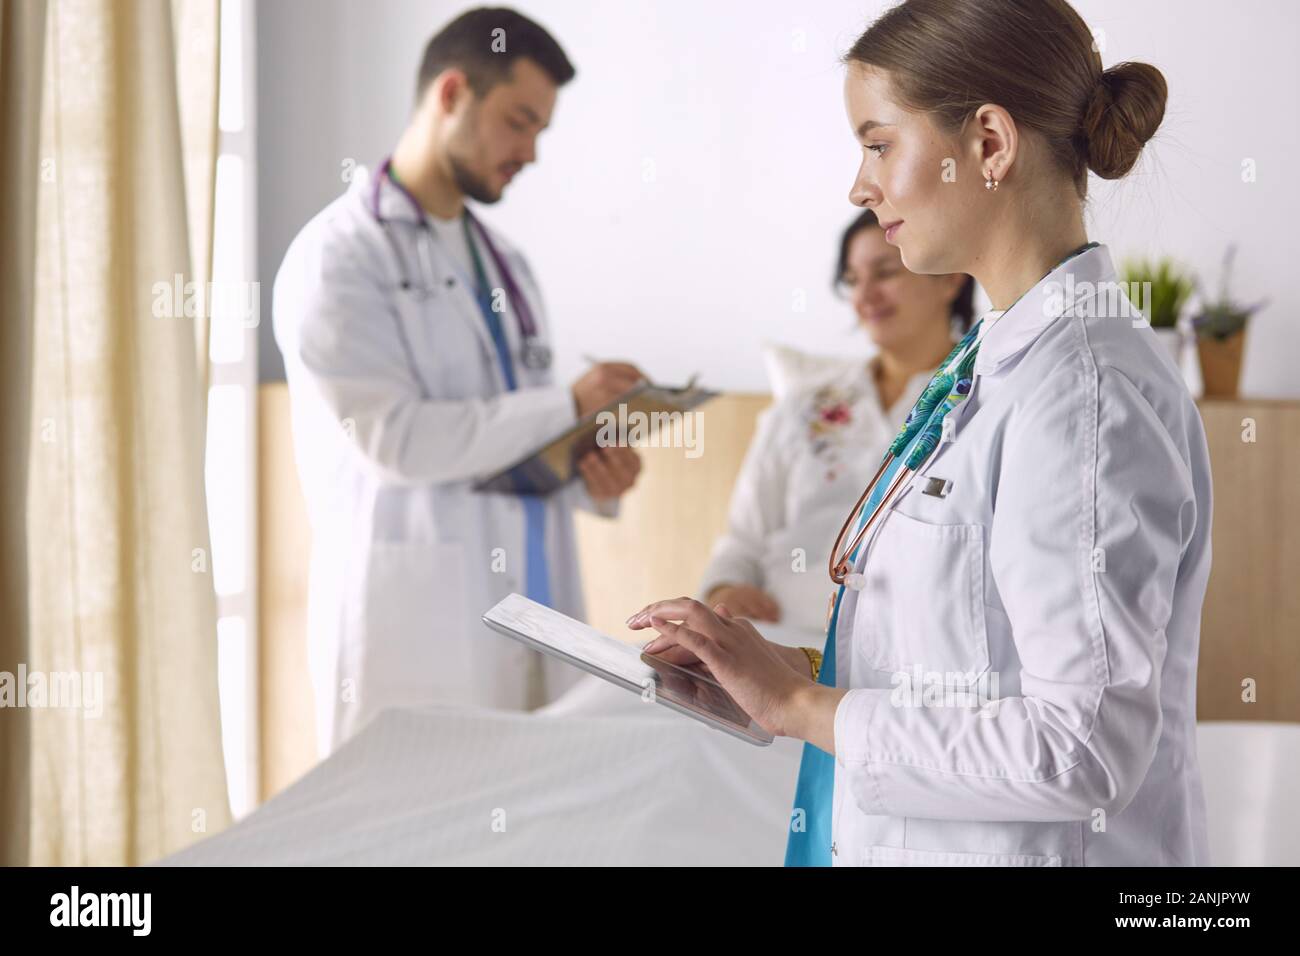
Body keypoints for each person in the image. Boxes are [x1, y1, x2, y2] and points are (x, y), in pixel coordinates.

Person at [628, 0, 1211, 867]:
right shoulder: (997, 363)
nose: (859, 187)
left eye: (877, 144)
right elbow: (970, 661)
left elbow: (1081, 748)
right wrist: (785, 676)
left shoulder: (1083, 397)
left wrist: (805, 710)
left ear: (989, 144)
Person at [274, 7, 643, 756]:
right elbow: (395, 442)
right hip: (415, 619)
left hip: (534, 607)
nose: (530, 152)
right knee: (413, 809)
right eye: (518, 122)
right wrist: (566, 404)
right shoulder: (339, 256)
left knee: (536, 801)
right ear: (451, 93)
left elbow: (510, 436)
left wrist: (590, 471)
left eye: (540, 130)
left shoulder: (508, 265)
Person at [698, 210, 972, 638]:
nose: (865, 296)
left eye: (885, 272)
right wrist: (726, 589)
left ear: (950, 277)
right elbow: (743, 539)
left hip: (911, 647)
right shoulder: (804, 406)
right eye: (852, 280)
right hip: (774, 635)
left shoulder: (979, 399)